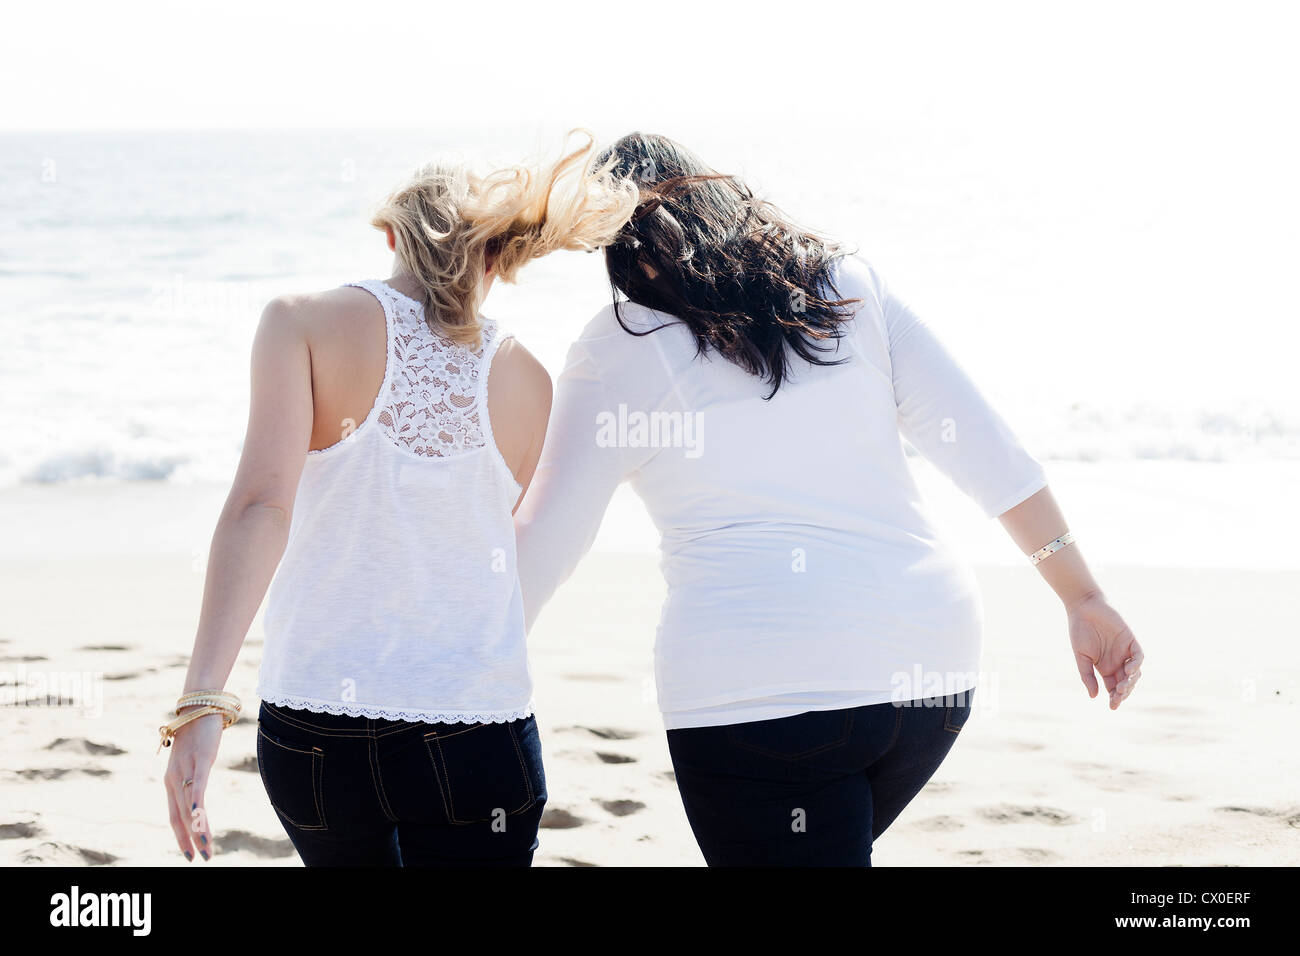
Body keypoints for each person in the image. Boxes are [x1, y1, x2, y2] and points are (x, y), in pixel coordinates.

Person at [514, 132, 1144, 866]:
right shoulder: (846, 286)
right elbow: (984, 449)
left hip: (758, 701)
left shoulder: (615, 348)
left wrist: (450, 667)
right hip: (928, 675)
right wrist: (1083, 597)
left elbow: (549, 542)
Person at [160, 134, 636, 866]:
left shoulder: (299, 322)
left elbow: (262, 508)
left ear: (390, 233)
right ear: (495, 254)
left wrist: (203, 701)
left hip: (315, 732)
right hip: (476, 732)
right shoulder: (530, 381)